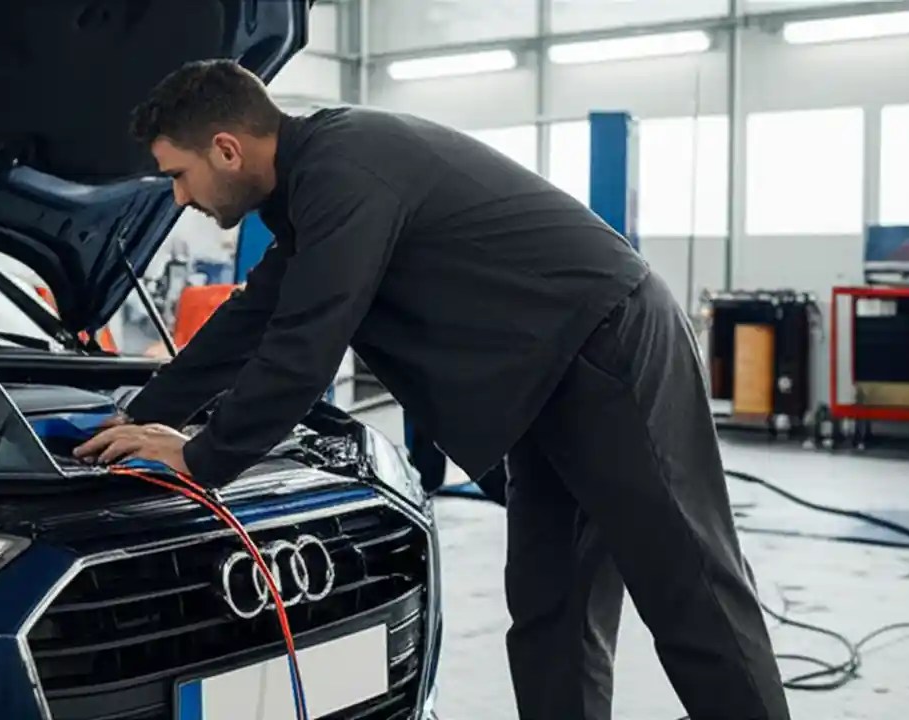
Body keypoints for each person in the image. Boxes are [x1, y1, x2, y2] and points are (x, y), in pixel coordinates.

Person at [73, 59, 791, 720]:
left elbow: (304, 346)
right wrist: (135, 417)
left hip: (610, 347)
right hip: (543, 383)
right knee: (551, 614)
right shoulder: (304, 193)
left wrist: (203, 458)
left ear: (227, 149)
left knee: (691, 592)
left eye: (177, 174)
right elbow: (250, 322)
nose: (177, 197)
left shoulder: (346, 168)